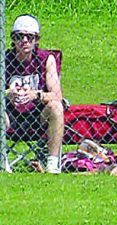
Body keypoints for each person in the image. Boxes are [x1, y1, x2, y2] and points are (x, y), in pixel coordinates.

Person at [3, 14, 64, 173]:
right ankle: (3, 160)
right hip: (9, 116)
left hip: (37, 117)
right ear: (13, 39)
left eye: (30, 37)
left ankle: (52, 163)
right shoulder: (4, 60)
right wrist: (7, 93)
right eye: (19, 36)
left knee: (56, 107)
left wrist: (35, 95)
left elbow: (57, 95)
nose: (24, 41)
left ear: (36, 40)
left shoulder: (46, 59)